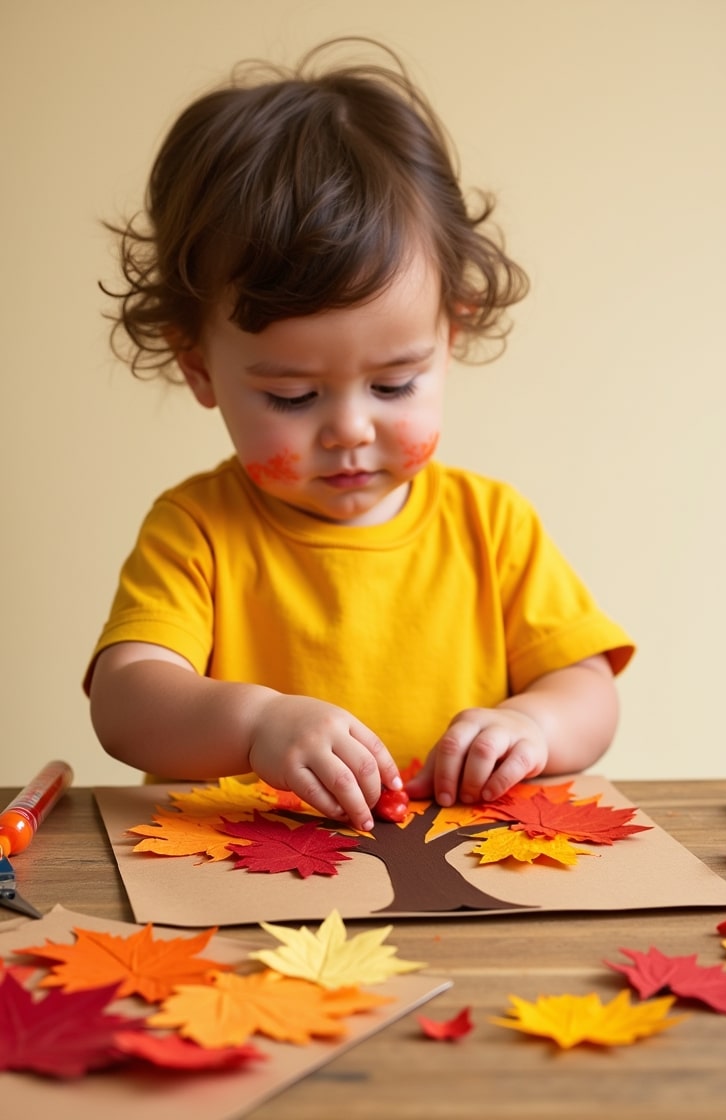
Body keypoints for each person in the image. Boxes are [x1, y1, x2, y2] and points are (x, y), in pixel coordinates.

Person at [85, 37, 634, 834]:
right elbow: (126, 702)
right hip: (244, 877)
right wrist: (256, 725)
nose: (348, 429)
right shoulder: (198, 530)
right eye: (293, 394)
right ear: (199, 367)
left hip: (459, 873)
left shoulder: (491, 525)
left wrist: (534, 726)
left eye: (393, 385)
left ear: (452, 334)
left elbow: (590, 691)